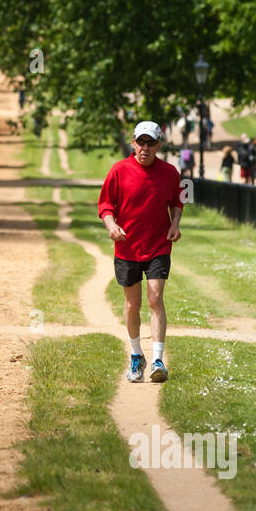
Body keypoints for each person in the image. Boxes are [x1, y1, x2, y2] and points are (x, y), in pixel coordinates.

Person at [98, 121, 185, 384]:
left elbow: (177, 202)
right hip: (127, 247)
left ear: (159, 145)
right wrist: (112, 225)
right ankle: (137, 355)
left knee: (155, 300)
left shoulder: (170, 172)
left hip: (158, 245)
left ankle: (158, 360)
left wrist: (174, 224)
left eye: (151, 143)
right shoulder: (119, 170)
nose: (145, 148)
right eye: (141, 142)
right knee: (132, 305)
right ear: (133, 143)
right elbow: (104, 205)